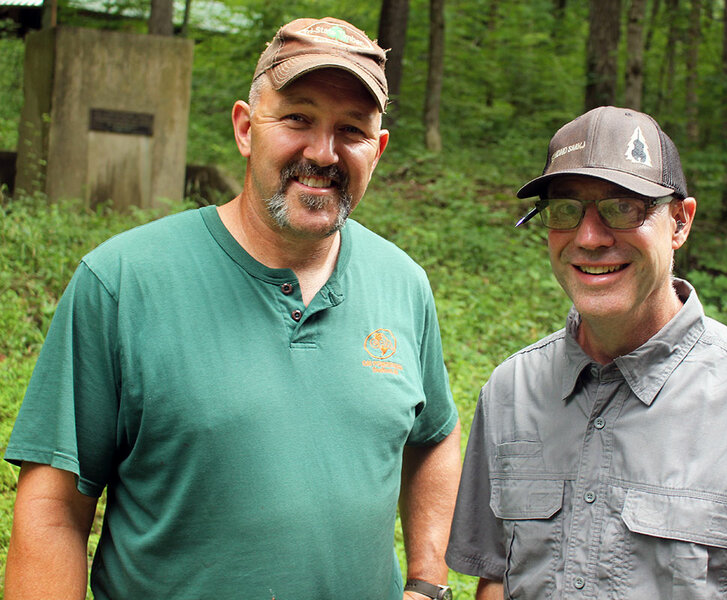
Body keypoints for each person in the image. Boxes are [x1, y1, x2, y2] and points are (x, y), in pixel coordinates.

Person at [5, 17, 460, 600]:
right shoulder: (123, 282)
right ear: (246, 128)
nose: (323, 152)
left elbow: (435, 437)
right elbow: (52, 510)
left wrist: (427, 581)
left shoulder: (403, 284)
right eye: (298, 117)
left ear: (379, 149)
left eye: (351, 129)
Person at [445, 106, 727, 599]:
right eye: (565, 209)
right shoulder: (511, 392)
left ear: (680, 222)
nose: (590, 237)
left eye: (623, 207)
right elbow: (495, 578)